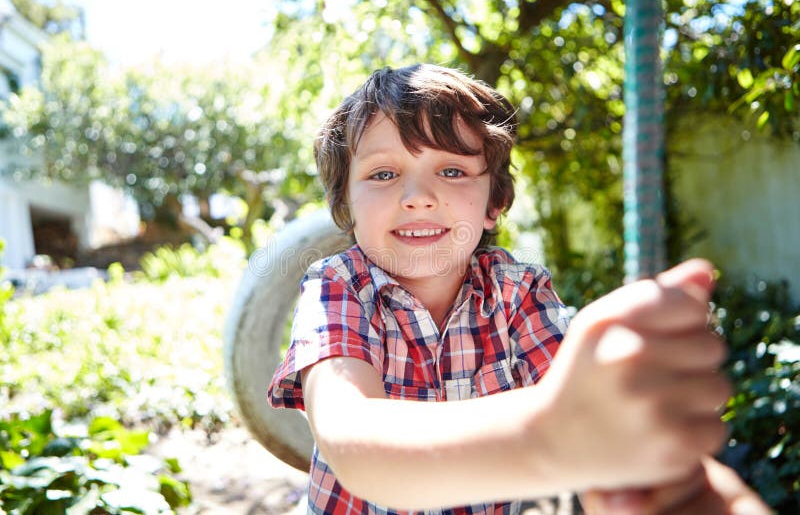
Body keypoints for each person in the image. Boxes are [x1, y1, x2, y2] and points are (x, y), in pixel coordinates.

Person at [268, 64, 770, 514]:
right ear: (346, 206)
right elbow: (352, 442)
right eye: (383, 174)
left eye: (451, 170)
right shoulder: (337, 286)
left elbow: (584, 414)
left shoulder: (518, 291)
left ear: (494, 203)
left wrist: (666, 469)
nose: (418, 197)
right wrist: (547, 436)